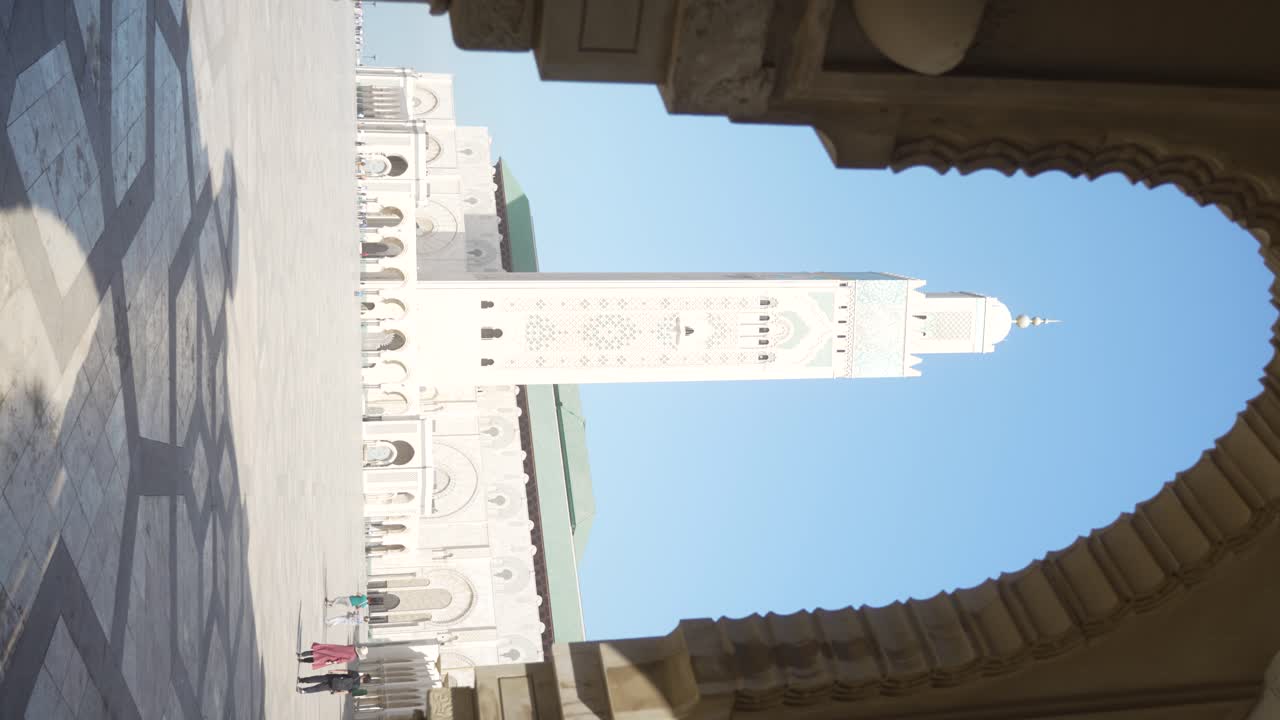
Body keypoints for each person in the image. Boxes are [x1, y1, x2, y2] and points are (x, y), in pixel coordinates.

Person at [297, 671, 371, 695]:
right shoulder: (356, 687)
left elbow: (344, 671)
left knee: (318, 678)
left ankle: (301, 680)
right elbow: (345, 692)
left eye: (364, 675)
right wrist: (335, 692)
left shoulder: (356, 675)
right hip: (334, 687)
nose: (363, 674)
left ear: (364, 677)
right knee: (318, 689)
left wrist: (334, 671)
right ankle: (304, 691)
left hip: (334, 677)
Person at [297, 643, 364, 669]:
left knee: (317, 651)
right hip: (333, 657)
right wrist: (334, 662)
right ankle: (302, 660)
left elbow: (346, 646)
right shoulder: (352, 658)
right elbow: (341, 660)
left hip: (334, 648)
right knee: (318, 659)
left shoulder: (353, 647)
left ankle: (301, 654)